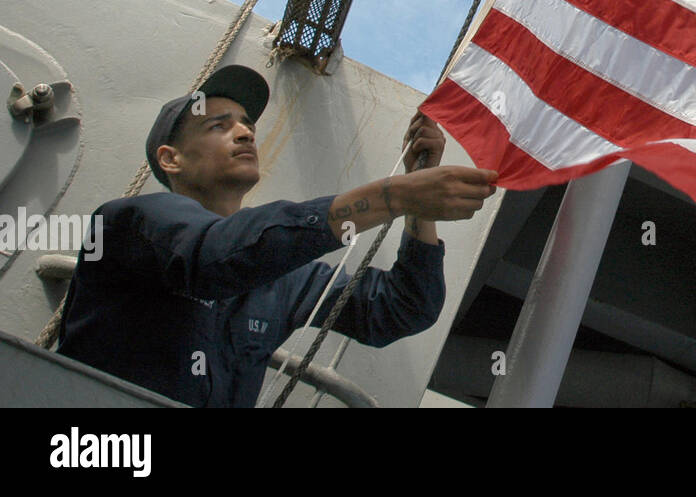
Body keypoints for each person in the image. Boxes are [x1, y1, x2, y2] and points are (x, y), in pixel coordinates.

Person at [55, 64, 497, 407]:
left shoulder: (285, 278)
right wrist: (392, 195)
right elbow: (214, 258)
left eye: (246, 123)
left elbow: (401, 309)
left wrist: (418, 192)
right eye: (218, 126)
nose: (245, 132)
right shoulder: (129, 223)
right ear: (171, 159)